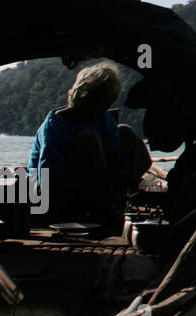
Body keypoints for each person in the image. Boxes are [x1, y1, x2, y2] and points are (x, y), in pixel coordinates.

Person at [28, 62, 151, 226]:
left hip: (93, 184)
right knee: (89, 140)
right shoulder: (54, 126)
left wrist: (123, 177)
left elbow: (113, 156)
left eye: (109, 104)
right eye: (101, 103)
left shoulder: (103, 118)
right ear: (84, 96)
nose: (105, 109)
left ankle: (112, 203)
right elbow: (49, 179)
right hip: (50, 193)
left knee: (126, 132)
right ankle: (98, 208)